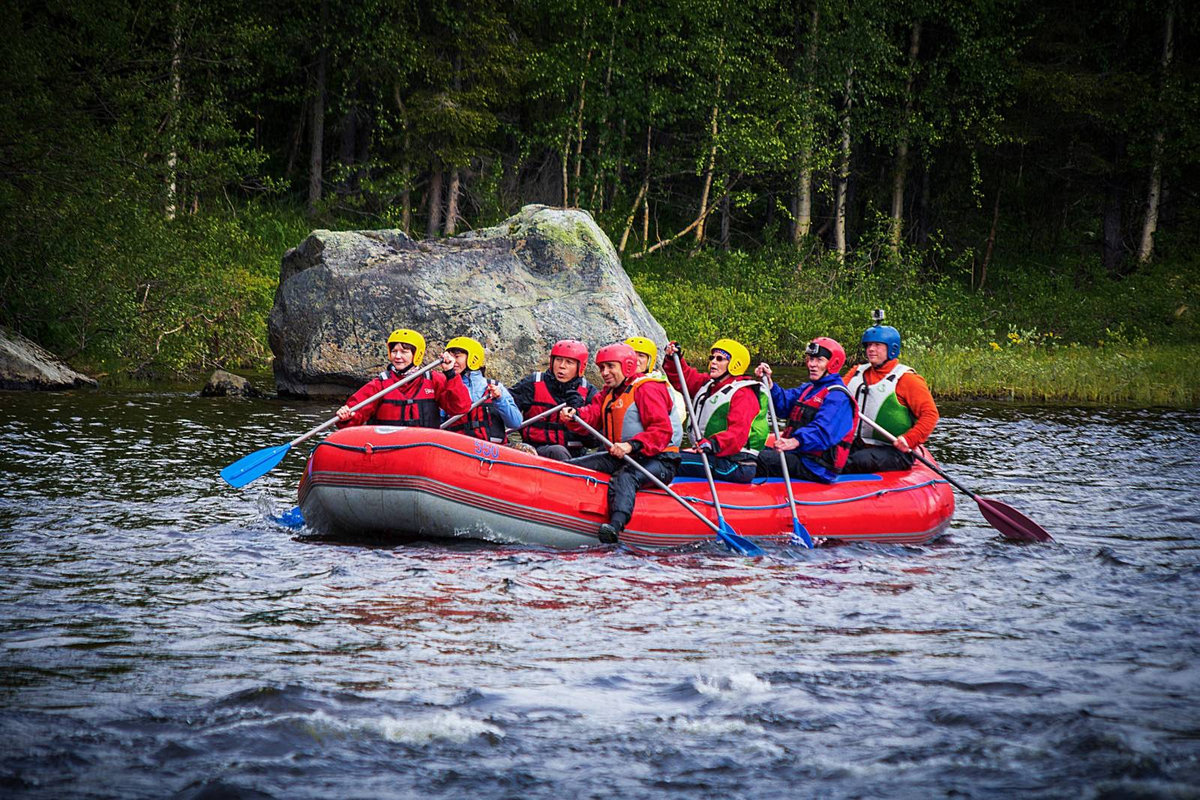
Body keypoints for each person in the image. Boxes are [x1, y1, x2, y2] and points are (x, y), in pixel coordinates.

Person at [561, 343, 682, 542]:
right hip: (624, 456)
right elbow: (591, 415)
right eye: (602, 368)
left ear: (626, 366)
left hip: (660, 460)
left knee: (626, 476)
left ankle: (615, 526)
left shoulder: (648, 389)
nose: (604, 373)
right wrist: (575, 416)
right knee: (576, 467)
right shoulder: (609, 392)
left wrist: (631, 445)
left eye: (610, 367)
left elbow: (662, 431)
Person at [662, 338, 768, 484]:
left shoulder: (743, 394)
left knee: (667, 461)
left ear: (735, 364)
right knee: (664, 454)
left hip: (735, 465)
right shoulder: (709, 385)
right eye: (712, 358)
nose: (713, 362)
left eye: (720, 359)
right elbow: (684, 378)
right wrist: (674, 359)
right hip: (714, 457)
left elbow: (737, 434)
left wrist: (711, 444)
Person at [842, 316, 940, 473]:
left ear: (892, 349)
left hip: (894, 451)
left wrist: (909, 439)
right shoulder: (856, 372)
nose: (871, 349)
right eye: (868, 345)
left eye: (877, 345)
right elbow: (834, 397)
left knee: (859, 460)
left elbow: (930, 415)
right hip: (856, 444)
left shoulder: (908, 379)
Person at [754, 337, 858, 483]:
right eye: (810, 359)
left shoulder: (838, 397)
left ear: (833, 364)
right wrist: (770, 383)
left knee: (751, 459)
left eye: (819, 360)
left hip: (815, 467)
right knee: (748, 450)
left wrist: (796, 441)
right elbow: (784, 405)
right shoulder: (809, 388)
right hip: (798, 456)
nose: (812, 365)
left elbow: (823, 431)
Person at [336, 328, 471, 427]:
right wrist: (346, 417)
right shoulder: (380, 384)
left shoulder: (434, 380)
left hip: (424, 449)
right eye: (394, 351)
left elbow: (460, 408)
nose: (397, 356)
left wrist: (451, 375)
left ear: (416, 355)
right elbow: (355, 416)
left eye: (404, 352)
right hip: (387, 449)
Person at [509, 339, 599, 461]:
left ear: (580, 367)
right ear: (551, 362)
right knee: (557, 451)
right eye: (558, 360)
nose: (562, 366)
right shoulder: (533, 384)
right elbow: (507, 408)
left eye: (569, 362)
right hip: (534, 450)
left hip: (575, 456)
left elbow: (594, 442)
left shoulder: (589, 393)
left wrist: (579, 413)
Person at [442, 336, 523, 443]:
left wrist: (499, 399)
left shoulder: (495, 386)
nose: (452, 361)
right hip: (458, 448)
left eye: (457, 357)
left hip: (493, 450)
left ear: (473, 358)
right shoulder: (445, 387)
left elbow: (515, 423)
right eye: (450, 357)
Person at [625, 336, 688, 434]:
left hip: (648, 443)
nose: (636, 359)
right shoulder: (617, 383)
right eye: (632, 354)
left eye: (641, 356)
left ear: (650, 361)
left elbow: (678, 415)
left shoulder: (657, 384)